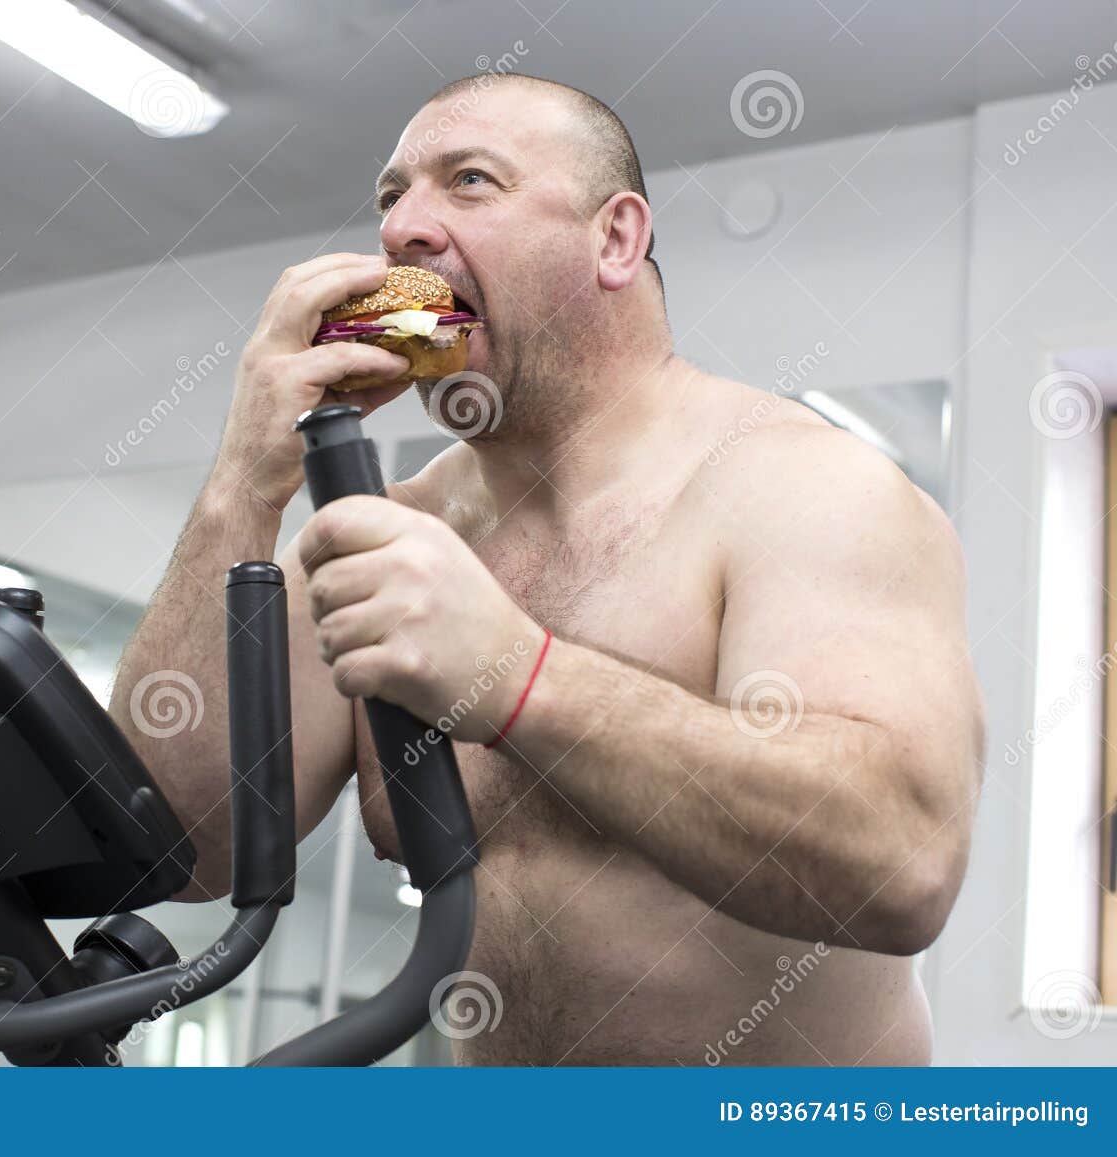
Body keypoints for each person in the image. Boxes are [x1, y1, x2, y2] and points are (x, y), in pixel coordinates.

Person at [113, 73, 984, 1065]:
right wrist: (242, 482)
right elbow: (174, 849)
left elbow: (902, 867)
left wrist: (520, 676)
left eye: (469, 181)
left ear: (614, 238)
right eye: (391, 197)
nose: (405, 230)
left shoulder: (801, 487)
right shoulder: (386, 534)